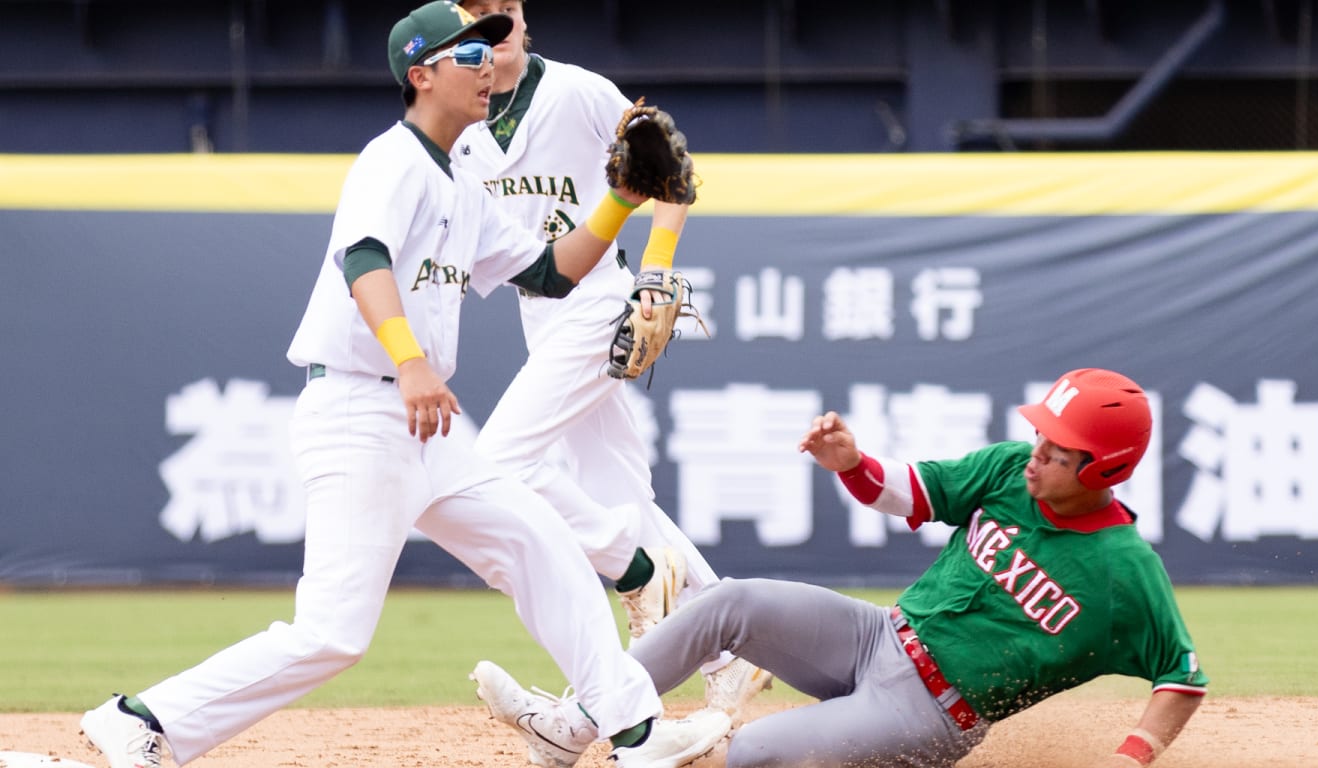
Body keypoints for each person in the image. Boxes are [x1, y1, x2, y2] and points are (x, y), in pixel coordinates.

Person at [77, 4, 730, 768]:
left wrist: (620, 195)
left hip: (425, 424)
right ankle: (139, 717)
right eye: (469, 55)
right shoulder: (392, 161)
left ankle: (637, 733)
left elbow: (554, 273)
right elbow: (363, 259)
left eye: (492, 49)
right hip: (361, 407)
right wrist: (412, 359)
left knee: (542, 545)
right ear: (421, 75)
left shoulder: (462, 184)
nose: (489, 64)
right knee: (332, 633)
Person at [489, 368, 1209, 767]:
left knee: (756, 754)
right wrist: (854, 464)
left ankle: (636, 756)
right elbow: (911, 490)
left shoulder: (1123, 572)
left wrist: (1133, 756)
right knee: (729, 603)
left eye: (1060, 447)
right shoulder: (1009, 470)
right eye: (1042, 435)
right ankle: (577, 726)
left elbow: (1182, 674)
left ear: (1106, 465)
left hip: (930, 713)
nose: (1039, 453)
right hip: (877, 637)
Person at [445, 0, 767, 741]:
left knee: (498, 464)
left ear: (526, 19)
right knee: (624, 496)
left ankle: (636, 571)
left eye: (508, 11)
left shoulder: (576, 92)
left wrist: (655, 272)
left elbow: (670, 169)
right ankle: (729, 646)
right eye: (478, 13)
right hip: (540, 311)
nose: (497, 26)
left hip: (599, 303)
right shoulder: (461, 122)